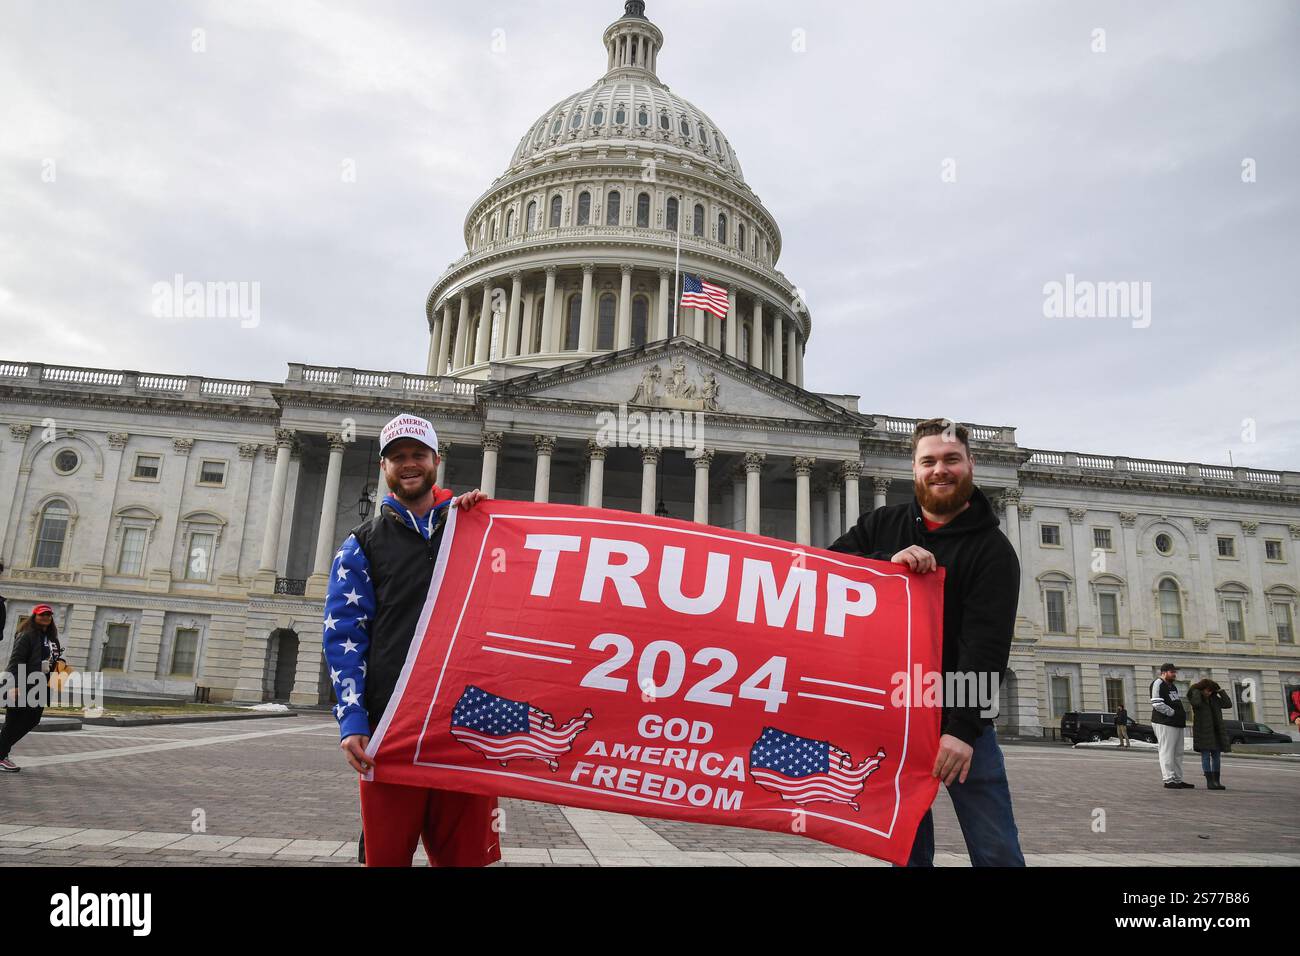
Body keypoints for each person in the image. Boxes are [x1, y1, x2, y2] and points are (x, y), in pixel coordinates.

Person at [830, 418, 1024, 866]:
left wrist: (961, 729)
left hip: (956, 720)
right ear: (914, 469)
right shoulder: (883, 523)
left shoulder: (993, 551)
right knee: (906, 850)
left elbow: (985, 647)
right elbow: (830, 571)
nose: (940, 470)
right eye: (929, 461)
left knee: (995, 848)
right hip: (893, 715)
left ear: (970, 465)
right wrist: (886, 563)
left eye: (951, 459)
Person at [323, 413, 500, 867]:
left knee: (465, 860)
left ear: (436, 460)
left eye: (417, 455)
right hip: (392, 724)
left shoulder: (475, 530)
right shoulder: (361, 544)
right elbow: (344, 635)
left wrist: (490, 520)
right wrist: (352, 720)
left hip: (466, 722)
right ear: (383, 467)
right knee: (385, 857)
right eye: (397, 457)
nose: (409, 464)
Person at [1, 604, 63, 772]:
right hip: (23, 684)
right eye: (42, 615)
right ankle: (2, 755)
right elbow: (16, 661)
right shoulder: (26, 635)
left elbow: (52, 662)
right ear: (34, 617)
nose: (46, 617)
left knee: (32, 719)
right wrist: (14, 686)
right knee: (13, 722)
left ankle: (1, 752)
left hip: (40, 685)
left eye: (49, 615)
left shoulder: (52, 639)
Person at [1150, 663, 1192, 789]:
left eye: (1175, 672)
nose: (1174, 674)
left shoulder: (1173, 686)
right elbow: (1156, 703)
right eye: (1172, 672)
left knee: (1178, 752)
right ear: (1164, 672)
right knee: (1167, 751)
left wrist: (1179, 716)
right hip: (1164, 722)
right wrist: (1172, 713)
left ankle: (1177, 779)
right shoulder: (1158, 683)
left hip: (1176, 723)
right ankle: (1168, 779)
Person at [1188, 678, 1232, 790]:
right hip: (1203, 731)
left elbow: (1228, 704)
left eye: (1211, 691)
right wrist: (1196, 690)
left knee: (1217, 756)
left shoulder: (1215, 699)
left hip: (1216, 731)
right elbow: (1196, 703)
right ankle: (1210, 782)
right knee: (1206, 756)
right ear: (1202, 689)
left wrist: (1220, 691)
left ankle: (1217, 781)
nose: (1209, 692)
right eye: (1207, 690)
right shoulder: (1197, 697)